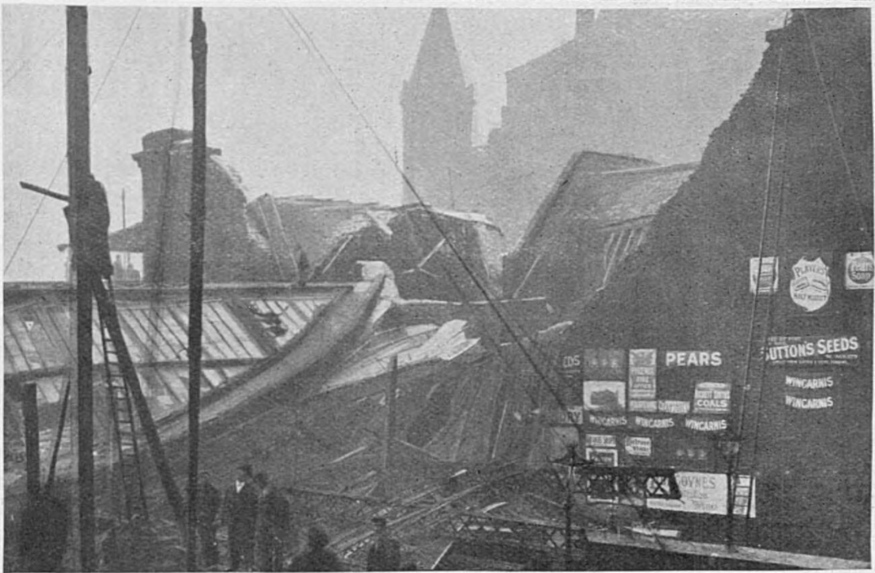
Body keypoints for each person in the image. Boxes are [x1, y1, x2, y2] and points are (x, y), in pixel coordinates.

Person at [223, 464, 259, 571]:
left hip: (246, 521)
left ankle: (249, 566)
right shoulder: (230, 489)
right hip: (233, 521)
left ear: (247, 475)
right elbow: (225, 504)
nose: (239, 475)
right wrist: (224, 517)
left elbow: (255, 506)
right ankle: (233, 566)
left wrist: (251, 519)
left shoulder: (252, 489)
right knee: (232, 543)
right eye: (238, 472)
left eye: (242, 473)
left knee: (247, 544)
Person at [253, 472, 290, 572]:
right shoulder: (266, 493)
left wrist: (274, 526)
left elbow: (279, 511)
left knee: (272, 554)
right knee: (268, 554)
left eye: (257, 483)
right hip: (266, 529)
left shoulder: (272, 494)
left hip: (271, 529)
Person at [198, 472, 222, 570]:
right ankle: (205, 562)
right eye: (202, 478)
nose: (204, 480)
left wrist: (217, 517)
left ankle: (214, 561)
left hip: (211, 520)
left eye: (206, 478)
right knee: (203, 541)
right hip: (200, 520)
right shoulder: (196, 491)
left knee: (212, 540)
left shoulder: (213, 491)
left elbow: (219, 505)